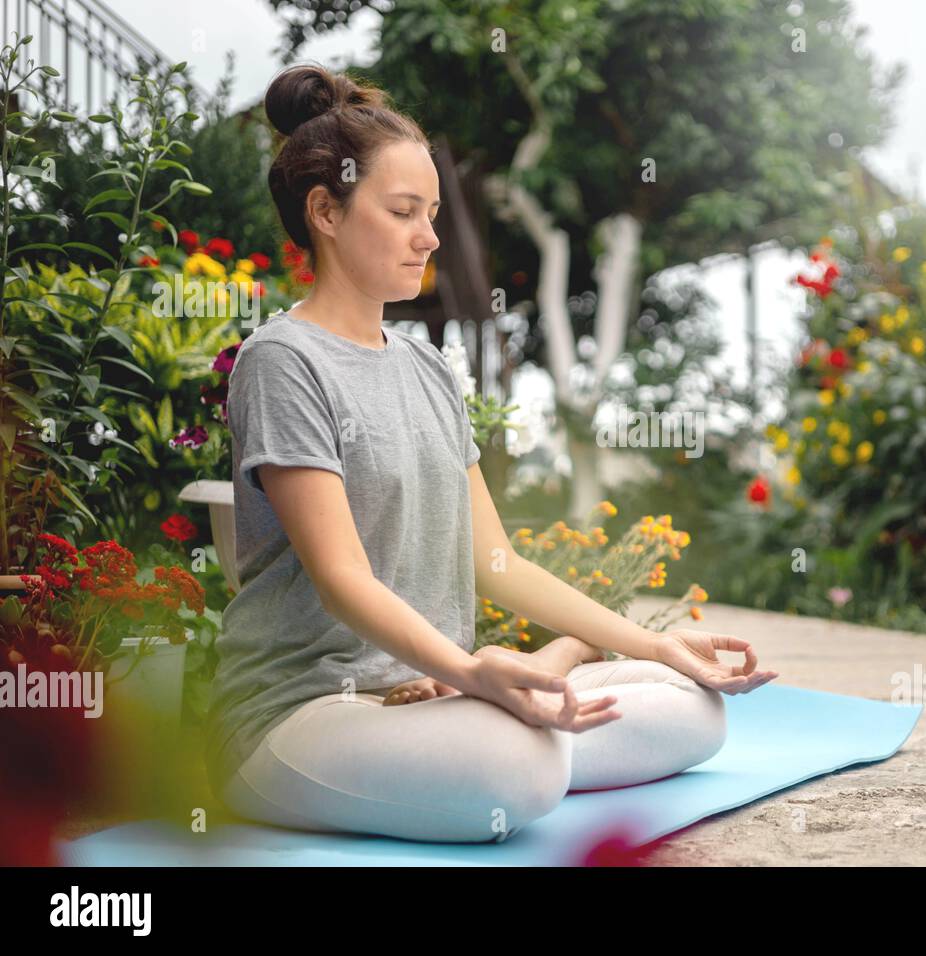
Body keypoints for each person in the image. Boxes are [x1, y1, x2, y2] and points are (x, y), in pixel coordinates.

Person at [202, 63, 779, 843]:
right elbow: (342, 581)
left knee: (690, 706)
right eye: (404, 211)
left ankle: (501, 713)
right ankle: (497, 720)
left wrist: (652, 641)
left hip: (432, 696)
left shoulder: (429, 370)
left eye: (432, 212)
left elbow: (496, 561)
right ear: (324, 211)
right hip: (303, 712)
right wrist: (468, 671)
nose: (429, 236)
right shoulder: (283, 361)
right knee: (525, 764)